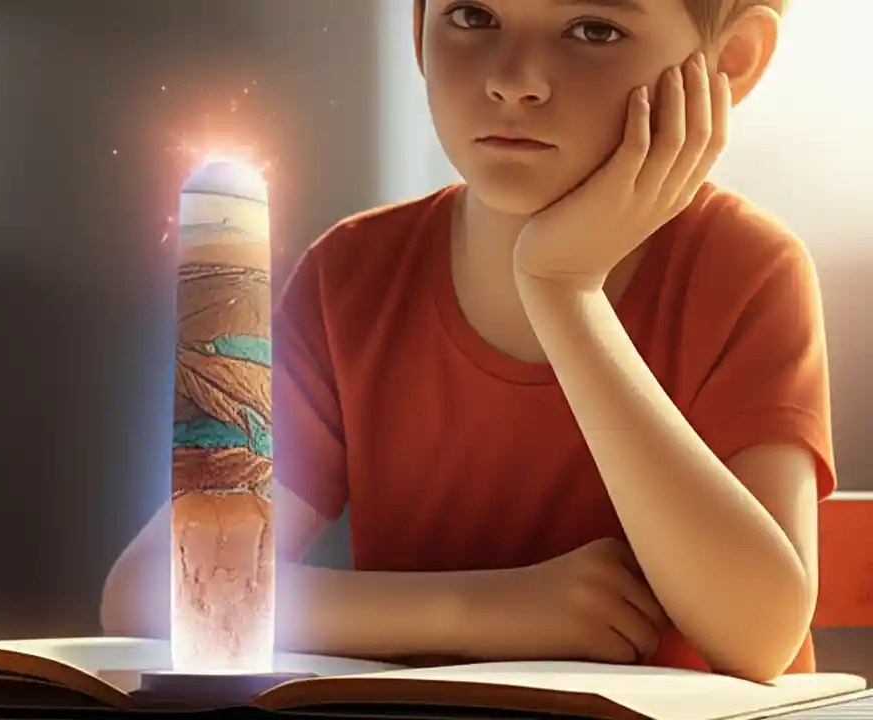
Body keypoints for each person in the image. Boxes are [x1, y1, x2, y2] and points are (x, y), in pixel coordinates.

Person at [101, 0, 835, 683]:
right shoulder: (353, 277)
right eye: (473, 15)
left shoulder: (748, 272)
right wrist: (490, 613)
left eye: (594, 30)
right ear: (418, 25)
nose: (514, 80)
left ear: (730, 61)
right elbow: (156, 592)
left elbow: (760, 635)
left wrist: (562, 287)